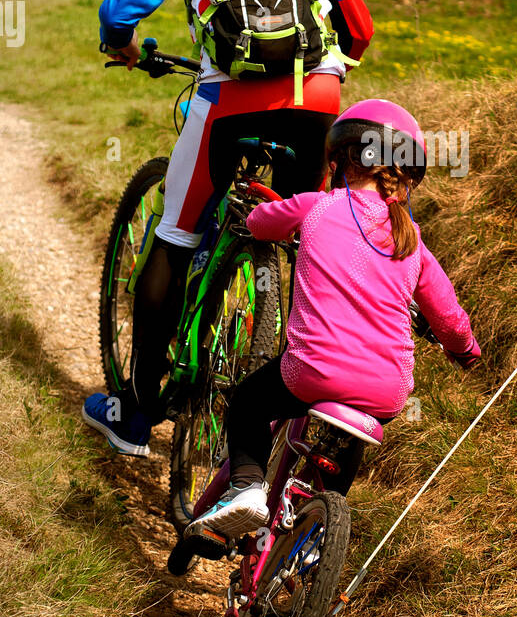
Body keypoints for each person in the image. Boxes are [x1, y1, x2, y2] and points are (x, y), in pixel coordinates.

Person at [83, 0, 373, 457]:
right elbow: (358, 26)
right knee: (305, 238)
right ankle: (311, 405)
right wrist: (328, 67)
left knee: (175, 234)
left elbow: (123, 6)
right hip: (318, 99)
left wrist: (121, 46)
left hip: (230, 99)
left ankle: (134, 414)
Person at [190, 99, 481, 539]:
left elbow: (261, 222)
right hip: (387, 392)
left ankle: (247, 489)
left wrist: (259, 215)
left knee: (248, 403)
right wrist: (467, 352)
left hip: (311, 373)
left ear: (339, 160)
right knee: (344, 450)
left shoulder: (317, 206)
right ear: (406, 179)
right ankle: (315, 541)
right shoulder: (411, 239)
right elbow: (450, 318)